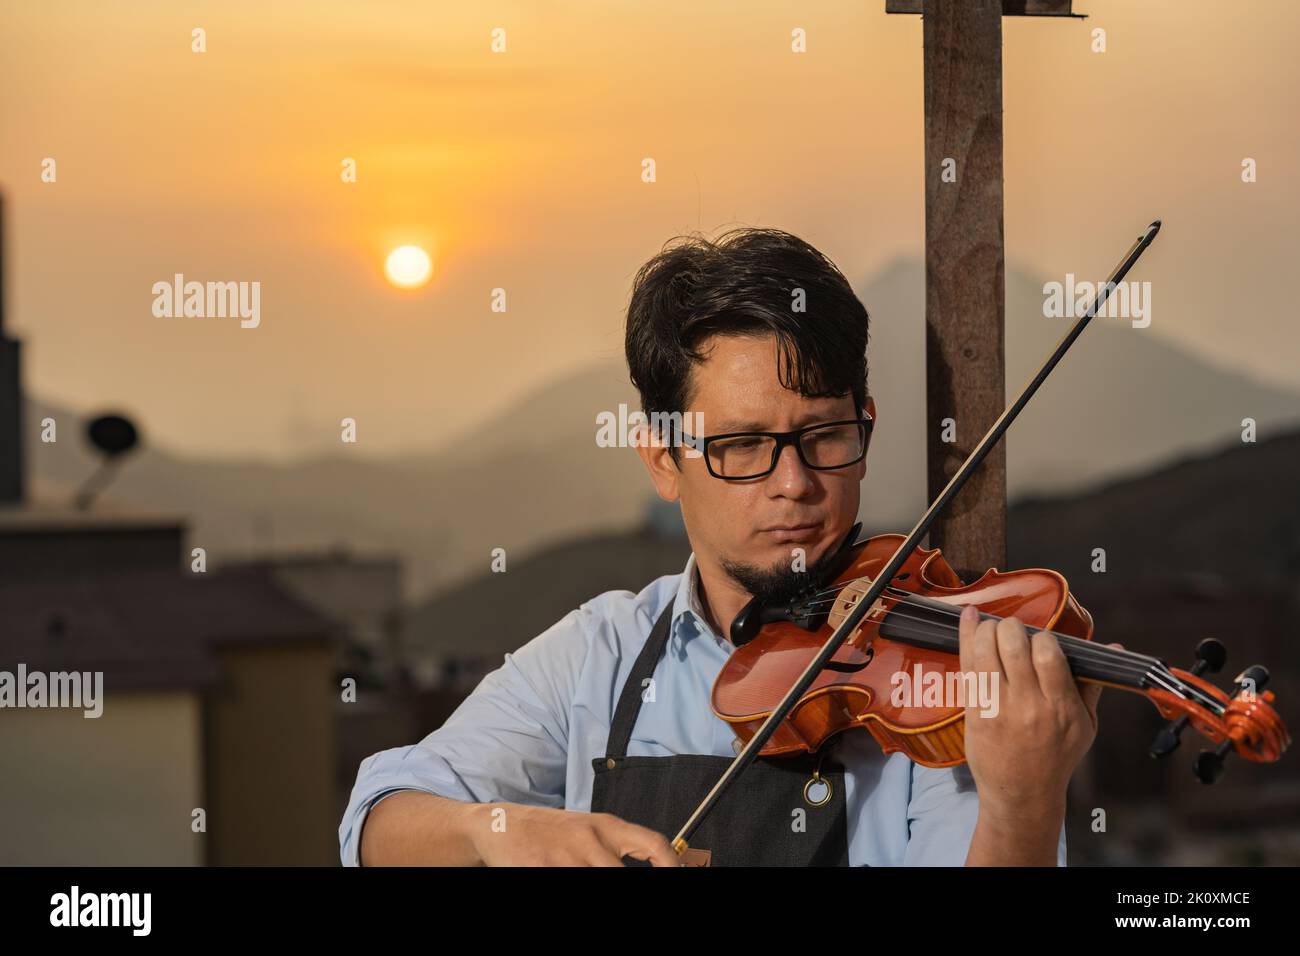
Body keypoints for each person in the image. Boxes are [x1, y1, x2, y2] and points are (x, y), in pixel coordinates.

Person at [340, 228, 1108, 866]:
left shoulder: (937, 691)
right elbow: (375, 823)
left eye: (826, 435)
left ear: (865, 428)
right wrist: (498, 827)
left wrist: (1023, 807)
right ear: (662, 462)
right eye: (742, 447)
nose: (796, 484)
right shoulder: (600, 657)